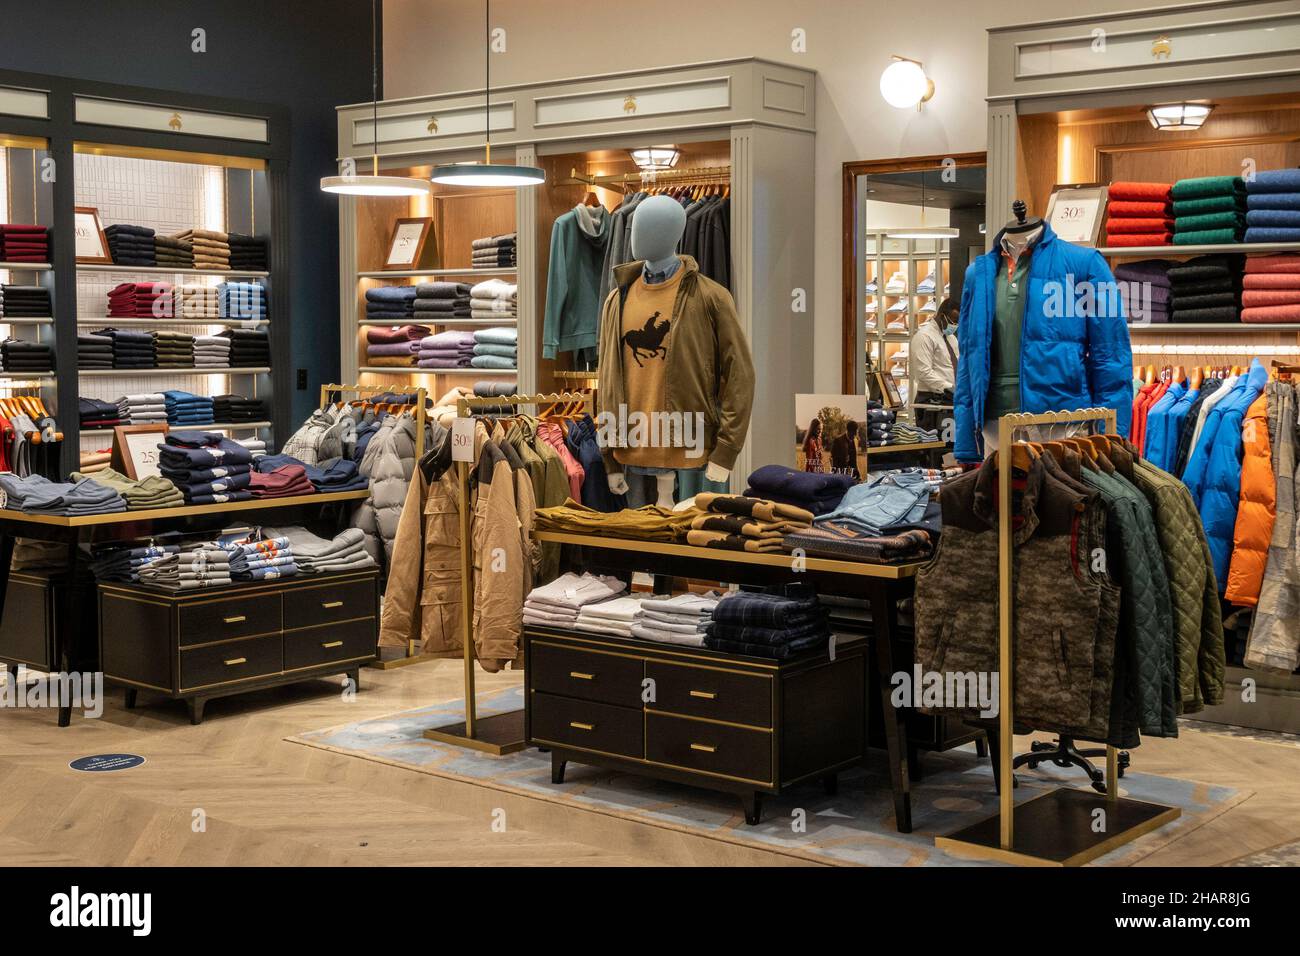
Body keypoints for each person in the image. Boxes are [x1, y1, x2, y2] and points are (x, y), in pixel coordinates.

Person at [913, 296, 959, 435]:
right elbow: (923, 372)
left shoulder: (951, 338)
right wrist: (949, 387)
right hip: (932, 400)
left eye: (957, 322)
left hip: (949, 399)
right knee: (935, 446)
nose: (955, 325)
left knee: (951, 445)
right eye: (953, 320)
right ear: (941, 316)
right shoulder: (924, 336)